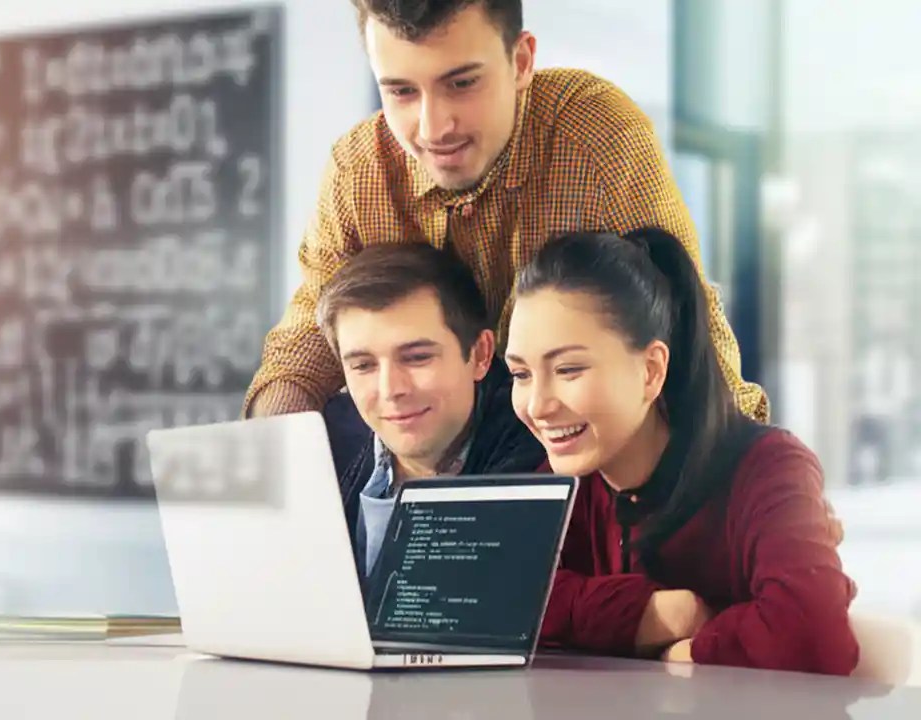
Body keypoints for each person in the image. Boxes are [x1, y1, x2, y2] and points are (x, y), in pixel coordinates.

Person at [245, 0, 768, 425]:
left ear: (520, 62)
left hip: (582, 461)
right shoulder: (358, 171)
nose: (433, 127)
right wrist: (268, 460)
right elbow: (311, 334)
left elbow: (687, 318)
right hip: (444, 462)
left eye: (462, 83)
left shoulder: (595, 137)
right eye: (401, 91)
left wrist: (760, 481)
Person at [502, 227, 858, 675]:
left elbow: (814, 634)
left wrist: (687, 653)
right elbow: (496, 598)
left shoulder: (768, 468)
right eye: (520, 375)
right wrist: (661, 613)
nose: (537, 406)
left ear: (651, 370)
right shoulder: (563, 482)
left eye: (568, 369)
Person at [312, 242, 544, 579]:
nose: (391, 389)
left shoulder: (539, 459)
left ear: (480, 355)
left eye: (418, 357)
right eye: (363, 365)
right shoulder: (323, 448)